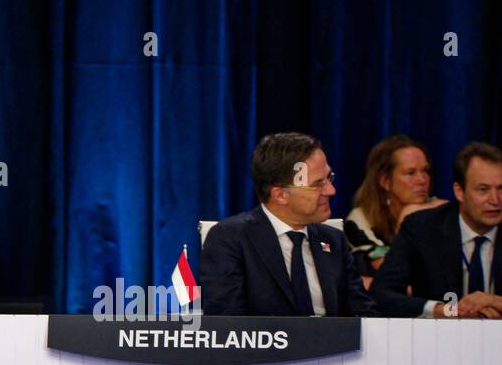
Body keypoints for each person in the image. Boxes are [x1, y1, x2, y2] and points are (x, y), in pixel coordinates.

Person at [201, 132, 375, 317]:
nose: (331, 190)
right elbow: (228, 324)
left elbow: (363, 314)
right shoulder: (230, 239)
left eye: (329, 178)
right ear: (281, 195)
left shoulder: (334, 240)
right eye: (317, 184)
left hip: (338, 346)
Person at [372, 143, 502, 318]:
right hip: (437, 340)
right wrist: (445, 311)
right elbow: (380, 294)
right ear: (459, 191)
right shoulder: (422, 228)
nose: (495, 200)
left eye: (501, 188)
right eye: (483, 189)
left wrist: (495, 301)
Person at [345, 134, 446, 284]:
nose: (422, 180)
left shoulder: (440, 210)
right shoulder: (359, 220)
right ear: (385, 181)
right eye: (410, 173)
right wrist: (408, 217)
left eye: (425, 170)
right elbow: (393, 275)